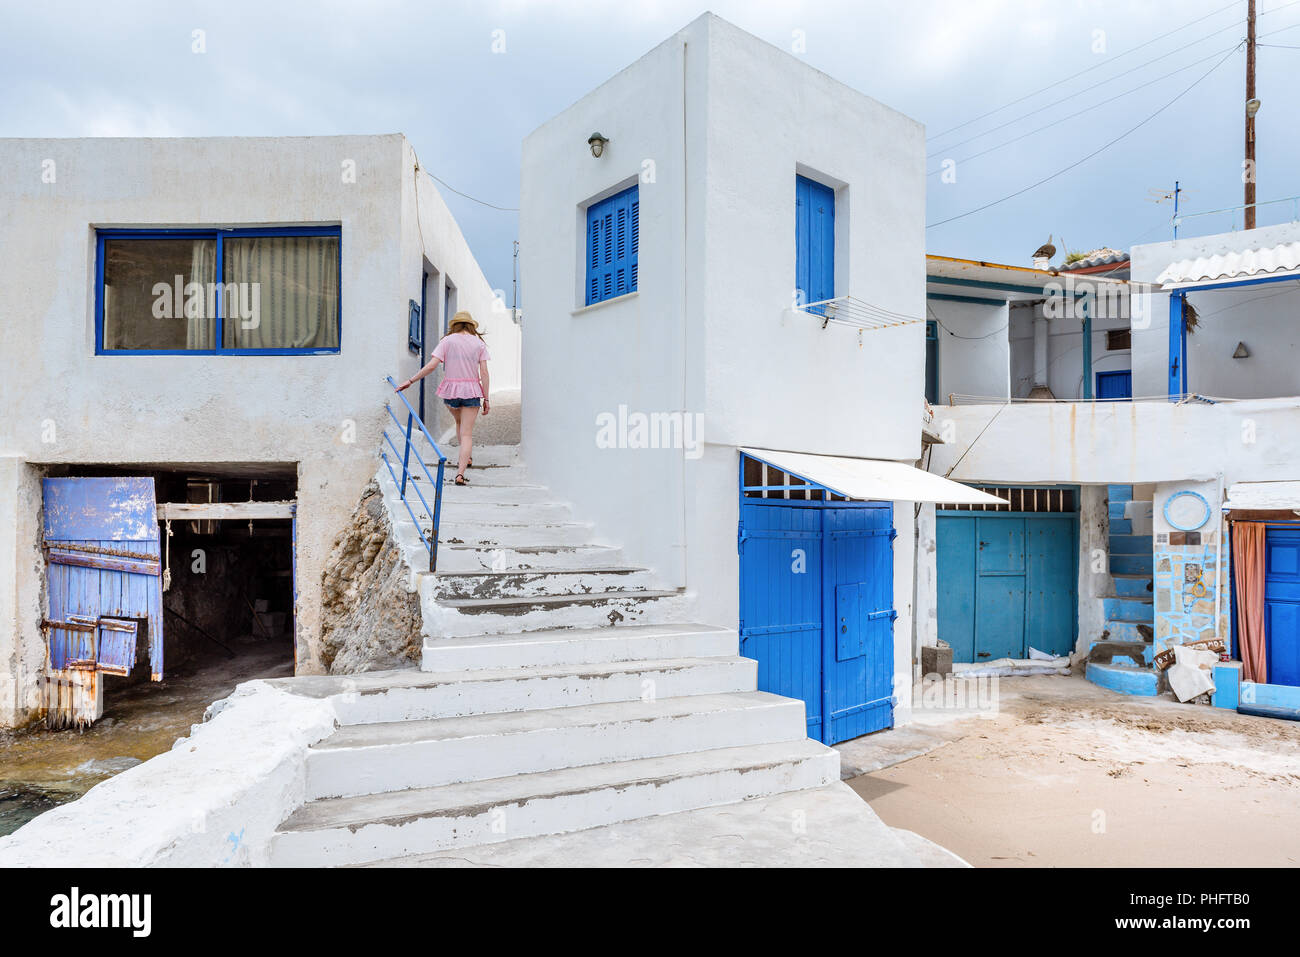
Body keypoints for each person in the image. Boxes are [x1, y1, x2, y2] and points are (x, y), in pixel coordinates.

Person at [395, 311, 490, 485]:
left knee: (460, 423)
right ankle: (460, 473)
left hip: (451, 391)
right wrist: (487, 398)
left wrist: (410, 381)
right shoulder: (478, 343)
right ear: (471, 326)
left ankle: (465, 457)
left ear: (455, 325)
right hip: (472, 391)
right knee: (467, 433)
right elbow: (484, 372)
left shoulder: (447, 341)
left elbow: (431, 366)